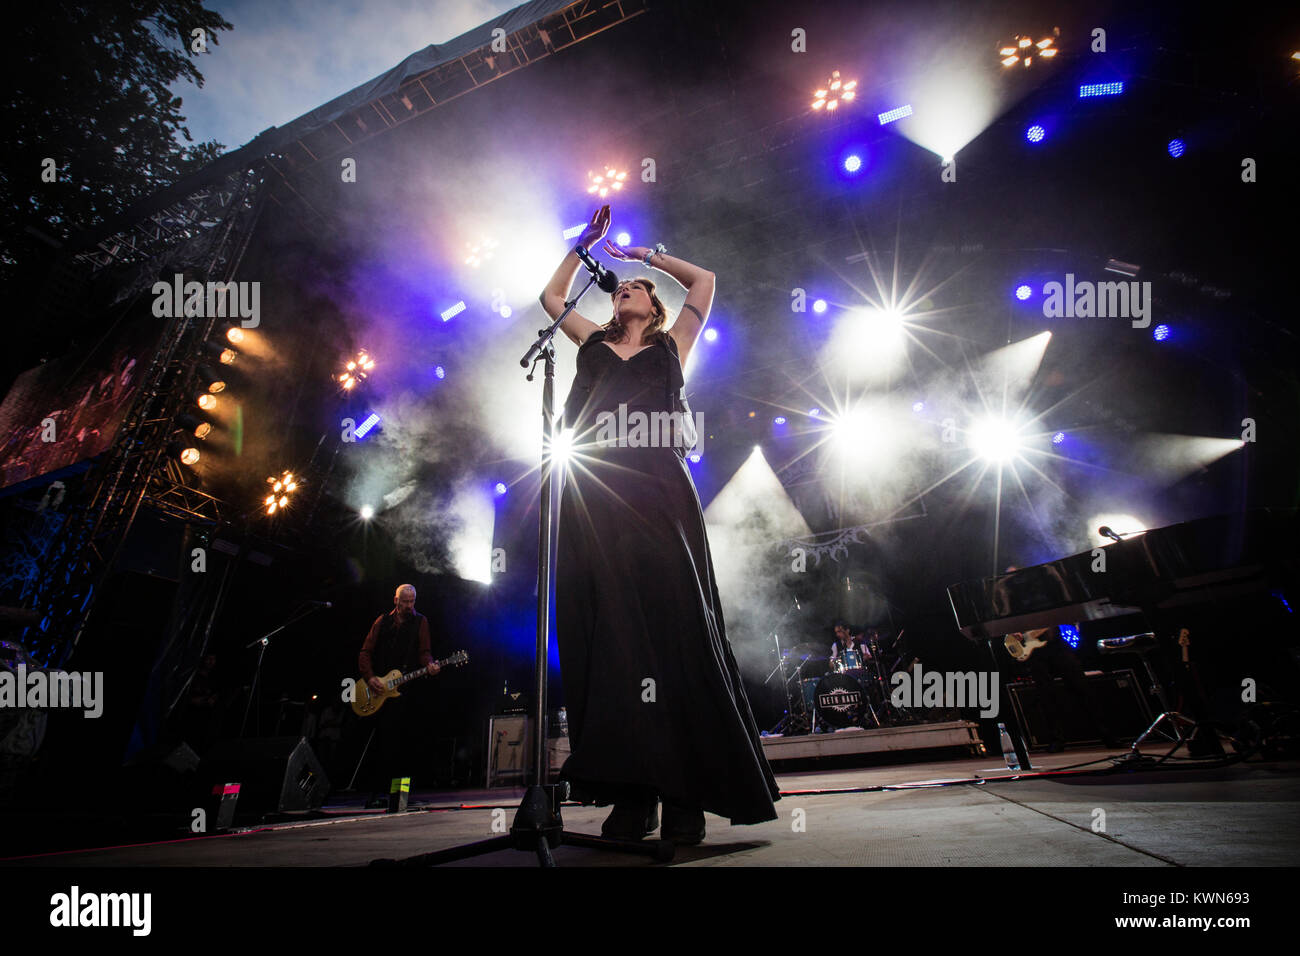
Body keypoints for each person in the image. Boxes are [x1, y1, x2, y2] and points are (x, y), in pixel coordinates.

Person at [539, 204, 780, 844]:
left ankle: (684, 795)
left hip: (659, 491)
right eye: (621, 289)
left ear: (655, 304)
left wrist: (644, 258)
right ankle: (632, 794)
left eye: (638, 289)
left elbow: (705, 281)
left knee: (673, 631)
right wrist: (583, 244)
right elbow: (550, 296)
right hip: (597, 491)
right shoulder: (590, 340)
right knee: (614, 636)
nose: (627, 291)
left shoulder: (673, 344)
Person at [357, 584, 441, 805]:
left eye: (412, 601)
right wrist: (370, 677)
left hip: (405, 691)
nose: (409, 606)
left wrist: (430, 665)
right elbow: (366, 652)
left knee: (404, 745)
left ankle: (400, 797)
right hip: (378, 689)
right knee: (381, 743)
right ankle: (377, 793)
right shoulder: (382, 621)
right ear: (396, 600)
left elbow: (424, 653)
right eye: (405, 601)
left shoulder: (421, 622)